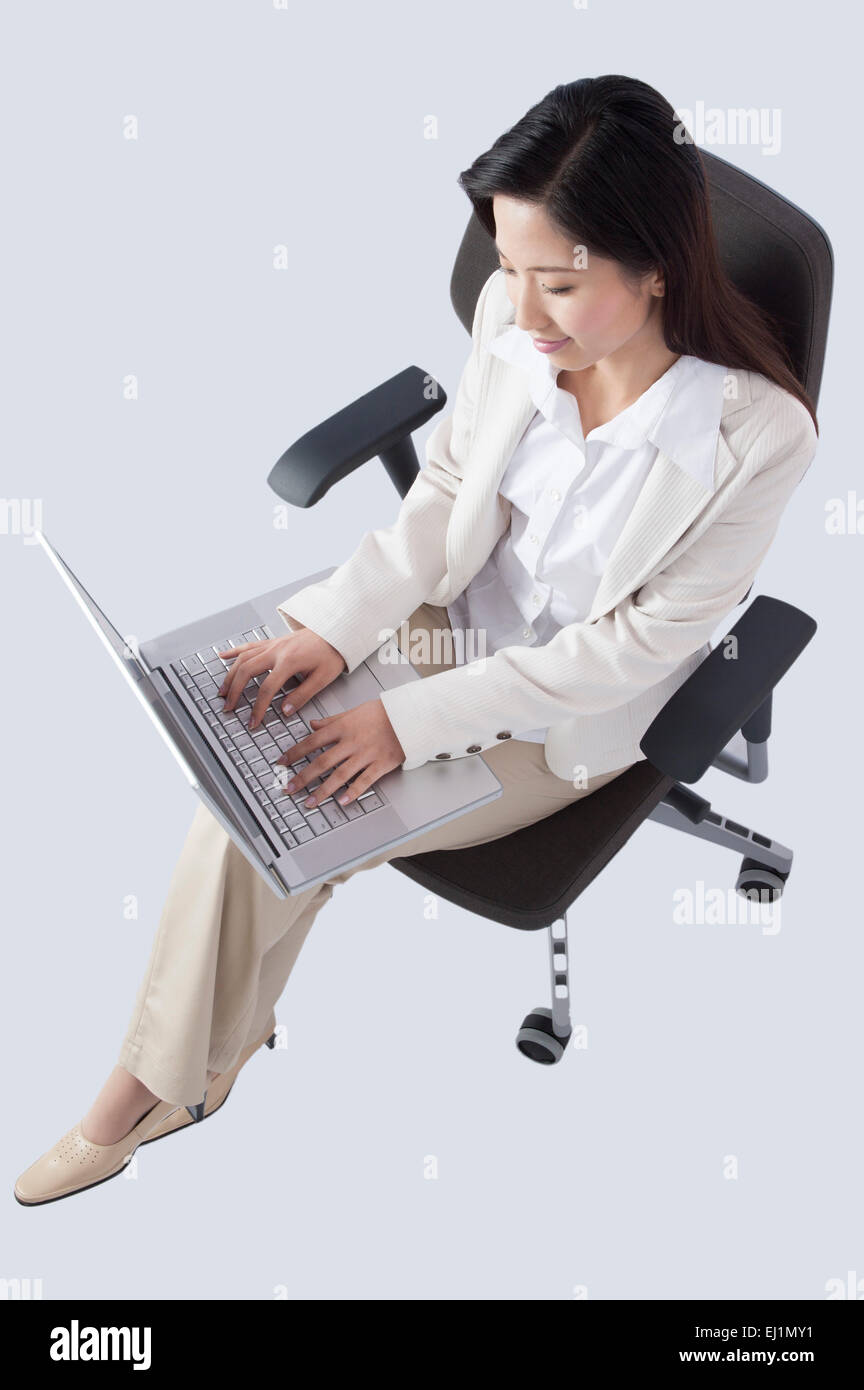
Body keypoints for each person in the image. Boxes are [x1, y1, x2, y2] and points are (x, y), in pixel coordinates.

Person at [15, 74, 819, 1205]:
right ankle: (199, 1064)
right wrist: (338, 628)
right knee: (247, 763)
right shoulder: (512, 319)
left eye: (562, 282)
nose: (524, 314)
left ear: (658, 270)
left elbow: (626, 653)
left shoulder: (757, 439)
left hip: (559, 721)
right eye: (507, 263)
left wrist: (404, 721)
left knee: (293, 805)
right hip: (445, 627)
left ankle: (144, 1094)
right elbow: (445, 493)